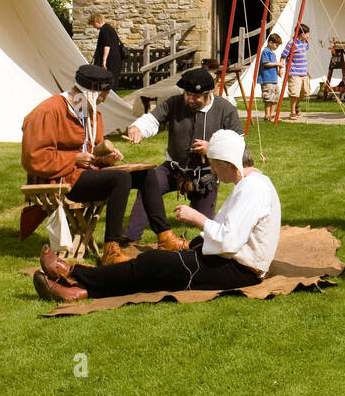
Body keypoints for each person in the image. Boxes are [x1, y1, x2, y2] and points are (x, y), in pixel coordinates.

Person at [32, 130, 281, 302]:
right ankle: (79, 291)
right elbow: (228, 234)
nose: (213, 169)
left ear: (228, 162)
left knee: (153, 263)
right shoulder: (251, 184)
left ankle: (73, 275)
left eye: (214, 163)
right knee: (155, 271)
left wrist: (198, 219)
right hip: (232, 263)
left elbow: (229, 241)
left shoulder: (252, 188)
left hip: (238, 270)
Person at [21, 64, 136, 266]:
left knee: (145, 174)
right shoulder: (48, 111)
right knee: (121, 178)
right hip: (60, 180)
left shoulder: (88, 112)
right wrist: (74, 159)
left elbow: (90, 151)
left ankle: (165, 237)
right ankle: (111, 248)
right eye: (102, 96)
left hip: (84, 176)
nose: (103, 101)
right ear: (90, 93)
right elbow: (33, 158)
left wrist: (104, 159)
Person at [121, 67, 244, 250]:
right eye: (187, 94)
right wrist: (137, 129)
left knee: (205, 225)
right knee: (149, 183)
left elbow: (239, 144)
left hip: (206, 175)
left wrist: (212, 148)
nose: (190, 99)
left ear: (208, 93)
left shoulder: (225, 110)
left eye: (196, 96)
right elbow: (152, 120)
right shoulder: (174, 103)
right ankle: (130, 240)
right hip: (173, 168)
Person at [282, 23, 311, 118]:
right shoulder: (291, 43)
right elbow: (284, 55)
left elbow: (307, 46)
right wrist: (281, 68)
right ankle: (293, 111)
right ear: (301, 34)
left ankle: (297, 105)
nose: (308, 35)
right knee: (294, 92)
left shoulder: (303, 43)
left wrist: (307, 40)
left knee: (305, 92)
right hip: (294, 72)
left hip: (303, 72)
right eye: (307, 34)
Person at [89, 13, 124, 88]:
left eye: (93, 24)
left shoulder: (104, 29)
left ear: (96, 21)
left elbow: (107, 45)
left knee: (108, 79)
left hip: (111, 59)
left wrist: (104, 60)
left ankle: (108, 97)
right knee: (111, 79)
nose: (93, 26)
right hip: (115, 58)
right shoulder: (108, 28)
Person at [258, 33, 283, 121]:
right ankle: (267, 114)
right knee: (268, 98)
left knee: (275, 97)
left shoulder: (272, 53)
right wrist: (278, 64)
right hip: (267, 79)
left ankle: (272, 114)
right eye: (276, 45)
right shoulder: (266, 51)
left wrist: (278, 71)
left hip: (273, 79)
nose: (277, 47)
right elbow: (266, 63)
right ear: (270, 42)